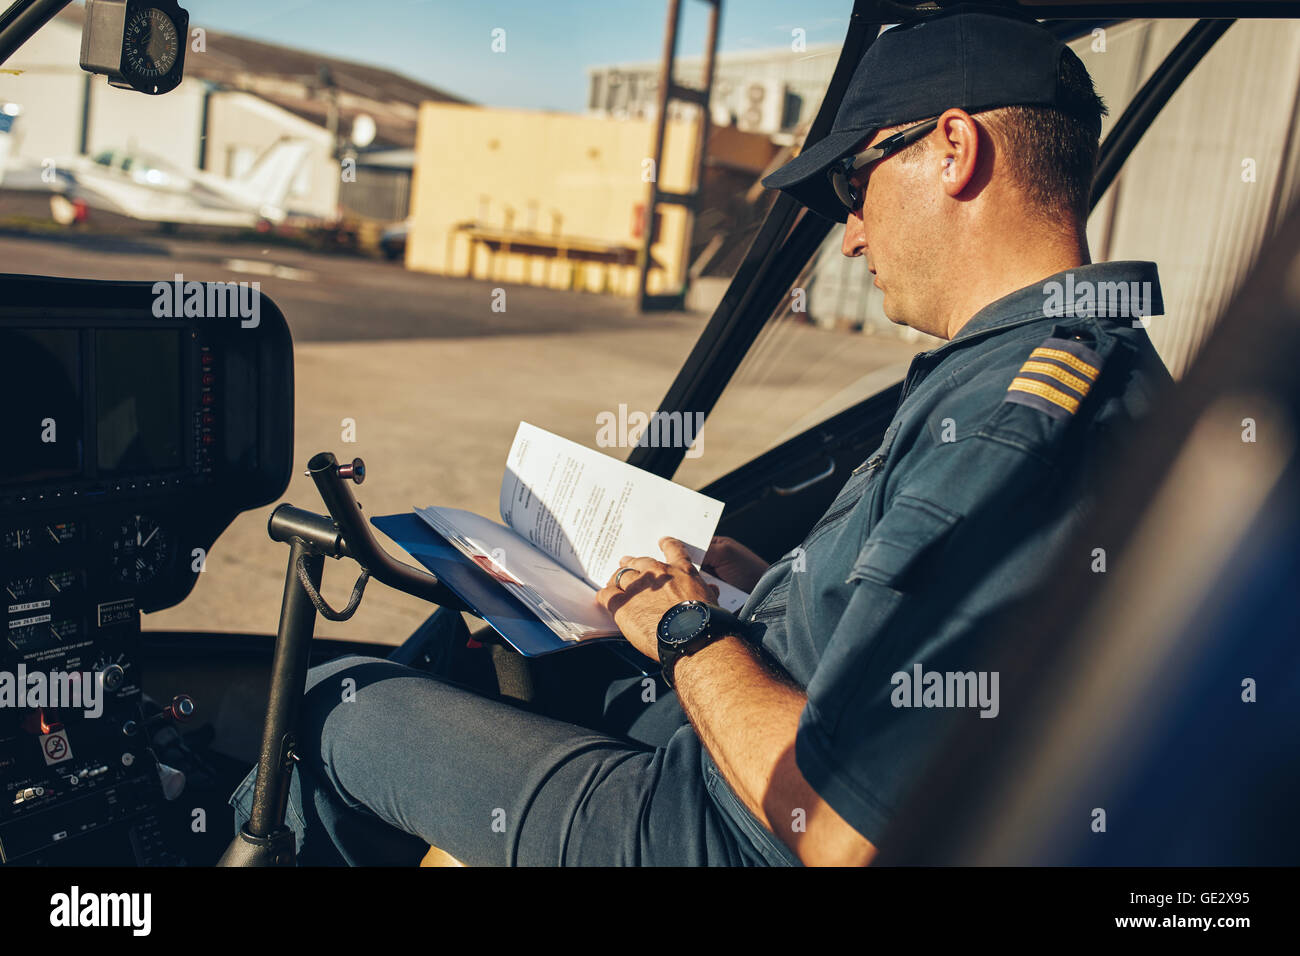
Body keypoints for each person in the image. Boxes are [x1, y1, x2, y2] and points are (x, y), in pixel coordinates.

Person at [229, 5, 1172, 866]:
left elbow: (846, 834)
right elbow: (904, 627)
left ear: (955, 149)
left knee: (336, 709)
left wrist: (689, 631)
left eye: (854, 180)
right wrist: (763, 588)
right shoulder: (1064, 369)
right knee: (465, 644)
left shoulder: (1016, 430)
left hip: (718, 826)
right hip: (742, 766)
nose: (849, 233)